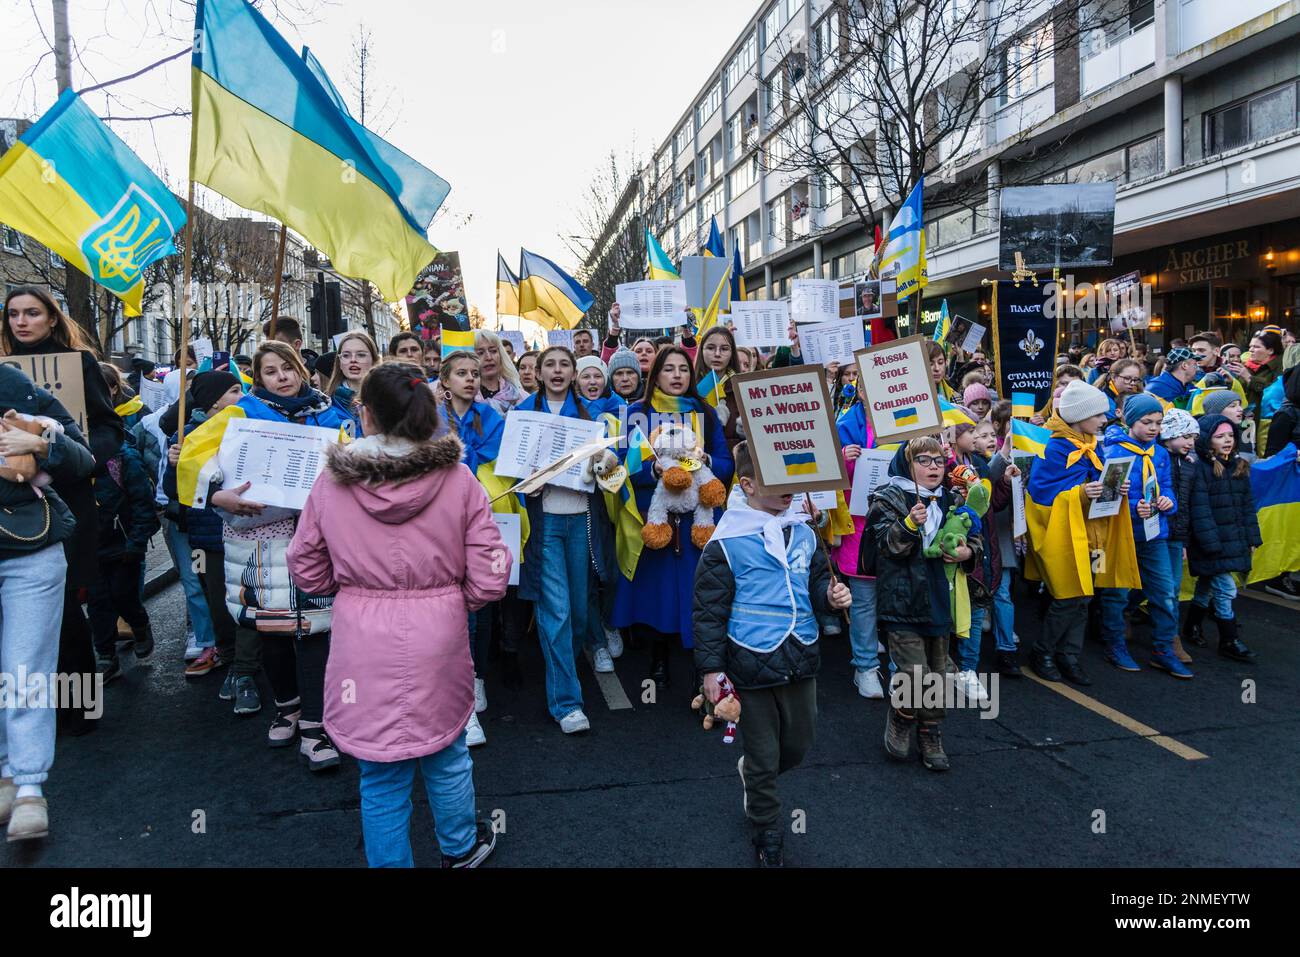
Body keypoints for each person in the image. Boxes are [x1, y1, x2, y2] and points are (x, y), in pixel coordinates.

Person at [286, 361, 509, 867]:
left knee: (379, 770)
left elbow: (304, 561)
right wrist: (459, 600)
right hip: (440, 631)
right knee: (447, 751)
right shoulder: (459, 479)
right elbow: (493, 565)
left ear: (365, 416)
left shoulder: (331, 482)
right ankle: (459, 847)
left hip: (361, 633)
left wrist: (342, 593)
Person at [182, 343, 353, 772]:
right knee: (273, 631)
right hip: (260, 543)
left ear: (302, 370)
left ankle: (316, 727)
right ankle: (287, 708)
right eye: (270, 370)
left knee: (316, 632)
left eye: (288, 368)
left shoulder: (331, 417)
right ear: (258, 377)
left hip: (319, 543)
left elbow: (357, 468)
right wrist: (216, 493)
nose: (281, 376)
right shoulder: (239, 415)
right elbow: (191, 456)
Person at [692, 441, 850, 867]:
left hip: (800, 655)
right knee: (763, 756)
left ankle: (757, 777)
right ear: (747, 484)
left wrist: (831, 596)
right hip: (750, 660)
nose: (789, 488)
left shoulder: (803, 530)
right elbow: (708, 612)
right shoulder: (725, 542)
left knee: (798, 745)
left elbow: (816, 583)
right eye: (776, 478)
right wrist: (711, 670)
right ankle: (767, 829)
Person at [2, 286, 124, 734]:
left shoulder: (82, 364)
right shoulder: (3, 371)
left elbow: (110, 427)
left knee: (69, 609)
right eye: (13, 314)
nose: (21, 322)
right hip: (10, 504)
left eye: (32, 312)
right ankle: (31, 714)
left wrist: (82, 453)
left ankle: (81, 711)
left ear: (52, 318)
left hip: (65, 502)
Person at [0, 363, 95, 841]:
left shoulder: (14, 384)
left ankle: (30, 787)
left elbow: (83, 460)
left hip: (27, 549)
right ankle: (5, 772)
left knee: (24, 668)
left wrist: (38, 444)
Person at [612, 346, 734, 688]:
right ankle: (659, 661)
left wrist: (701, 463)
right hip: (657, 519)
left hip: (700, 521)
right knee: (658, 597)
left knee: (702, 595)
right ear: (656, 375)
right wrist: (653, 470)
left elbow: (725, 464)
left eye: (683, 369)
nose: (677, 375)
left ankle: (703, 669)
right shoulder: (637, 412)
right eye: (669, 369)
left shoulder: (705, 413)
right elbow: (624, 465)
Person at [517, 347, 615, 733]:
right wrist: (528, 483)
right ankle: (566, 702)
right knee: (554, 612)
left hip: (582, 524)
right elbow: (510, 471)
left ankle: (565, 672)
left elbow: (613, 477)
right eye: (550, 365)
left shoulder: (593, 416)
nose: (557, 371)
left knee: (576, 611)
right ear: (538, 373)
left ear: (574, 372)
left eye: (564, 365)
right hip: (545, 526)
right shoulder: (522, 413)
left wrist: (607, 464)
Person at [868, 438, 981, 772]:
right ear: (906, 463)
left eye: (938, 460)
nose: (934, 467)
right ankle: (903, 716)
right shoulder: (887, 497)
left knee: (940, 674)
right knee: (914, 675)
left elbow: (974, 537)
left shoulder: (953, 499)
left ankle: (930, 730)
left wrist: (967, 552)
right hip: (902, 599)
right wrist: (908, 524)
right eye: (924, 460)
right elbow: (885, 546)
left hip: (941, 597)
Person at [1023, 380, 1138, 684]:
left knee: (1086, 596)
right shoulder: (1053, 445)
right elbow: (1041, 495)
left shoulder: (1090, 442)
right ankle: (1043, 652)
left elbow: (1092, 482)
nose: (1105, 420)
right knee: (1066, 595)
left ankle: (1069, 656)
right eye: (1099, 414)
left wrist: (1115, 488)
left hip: (1093, 531)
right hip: (1062, 535)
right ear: (1079, 416)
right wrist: (1083, 493)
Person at [438, 352, 508, 746]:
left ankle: (477, 676)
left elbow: (496, 461)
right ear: (444, 381)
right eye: (461, 374)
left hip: (481, 518)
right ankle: (458, 690)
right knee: (452, 605)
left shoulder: (492, 416)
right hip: (441, 525)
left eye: (475, 374)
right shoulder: (429, 417)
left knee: (479, 604)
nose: (470, 379)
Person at [1097, 395, 1188, 677]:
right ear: (1128, 421)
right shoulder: (1112, 452)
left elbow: (1168, 487)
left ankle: (1163, 649)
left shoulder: (1159, 453)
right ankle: (1115, 643)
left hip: (1154, 533)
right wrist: (1132, 506)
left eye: (1158, 423)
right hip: (1121, 533)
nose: (1153, 428)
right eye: (1146, 422)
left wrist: (1167, 502)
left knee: (1164, 593)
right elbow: (1107, 499)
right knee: (1117, 593)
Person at [165, 371, 247, 680]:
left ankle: (250, 662)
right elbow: (173, 491)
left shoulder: (244, 428)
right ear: (214, 400)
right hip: (207, 534)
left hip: (244, 528)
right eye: (235, 391)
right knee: (217, 597)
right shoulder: (184, 437)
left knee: (246, 597)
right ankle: (227, 654)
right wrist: (176, 466)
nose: (242, 397)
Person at [88, 413, 160, 683]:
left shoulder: (122, 459)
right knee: (98, 603)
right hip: (91, 548)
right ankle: (106, 655)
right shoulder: (71, 467)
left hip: (123, 545)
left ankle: (139, 624)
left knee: (123, 595)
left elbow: (143, 502)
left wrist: (137, 542)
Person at [1184, 415, 1260, 662]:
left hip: (1232, 540)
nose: (1227, 440)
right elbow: (1201, 510)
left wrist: (1251, 537)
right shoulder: (1200, 469)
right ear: (1207, 440)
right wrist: (1210, 543)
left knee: (1207, 585)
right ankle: (1229, 639)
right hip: (1211, 542)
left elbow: (1247, 507)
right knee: (1226, 589)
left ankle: (1192, 625)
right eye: (1220, 437)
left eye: (1230, 436)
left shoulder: (1238, 467)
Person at [834, 389, 884, 698]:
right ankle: (865, 666)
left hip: (899, 524)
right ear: (862, 390)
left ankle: (894, 661)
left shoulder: (908, 424)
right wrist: (841, 459)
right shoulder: (844, 426)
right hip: (860, 525)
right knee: (864, 599)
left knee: (893, 597)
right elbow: (823, 471)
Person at [1160, 408, 1200, 659]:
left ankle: (1170, 639)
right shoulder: (1157, 458)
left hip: (1175, 536)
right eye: (1185, 436)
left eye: (1194, 438)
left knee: (1171, 588)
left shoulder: (1189, 466)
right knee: (1144, 586)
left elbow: (1184, 506)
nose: (1190, 443)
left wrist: (1184, 540)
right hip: (1154, 534)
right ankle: (1127, 616)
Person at [694, 326, 743, 450]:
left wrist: (745, 432)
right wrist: (711, 423)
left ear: (732, 353)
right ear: (701, 351)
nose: (717, 354)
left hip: (736, 463)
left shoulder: (742, 389)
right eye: (710, 348)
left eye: (724, 349)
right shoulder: (690, 389)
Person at [326, 330, 380, 435]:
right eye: (346, 355)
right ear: (340, 363)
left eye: (361, 355)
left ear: (373, 360)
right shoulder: (325, 404)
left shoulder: (391, 400)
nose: (353, 360)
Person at [474, 330, 527, 414]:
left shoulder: (522, 398)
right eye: (480, 353)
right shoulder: (463, 398)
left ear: (501, 355)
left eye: (493, 351)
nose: (488, 357)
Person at [1245, 331, 1284, 433]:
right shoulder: (1246, 365)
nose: (1251, 350)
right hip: (1247, 421)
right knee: (1247, 447)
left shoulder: (1282, 366)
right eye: (1250, 346)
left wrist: (1250, 379)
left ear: (1270, 350)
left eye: (1256, 347)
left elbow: (1276, 393)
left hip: (1267, 422)